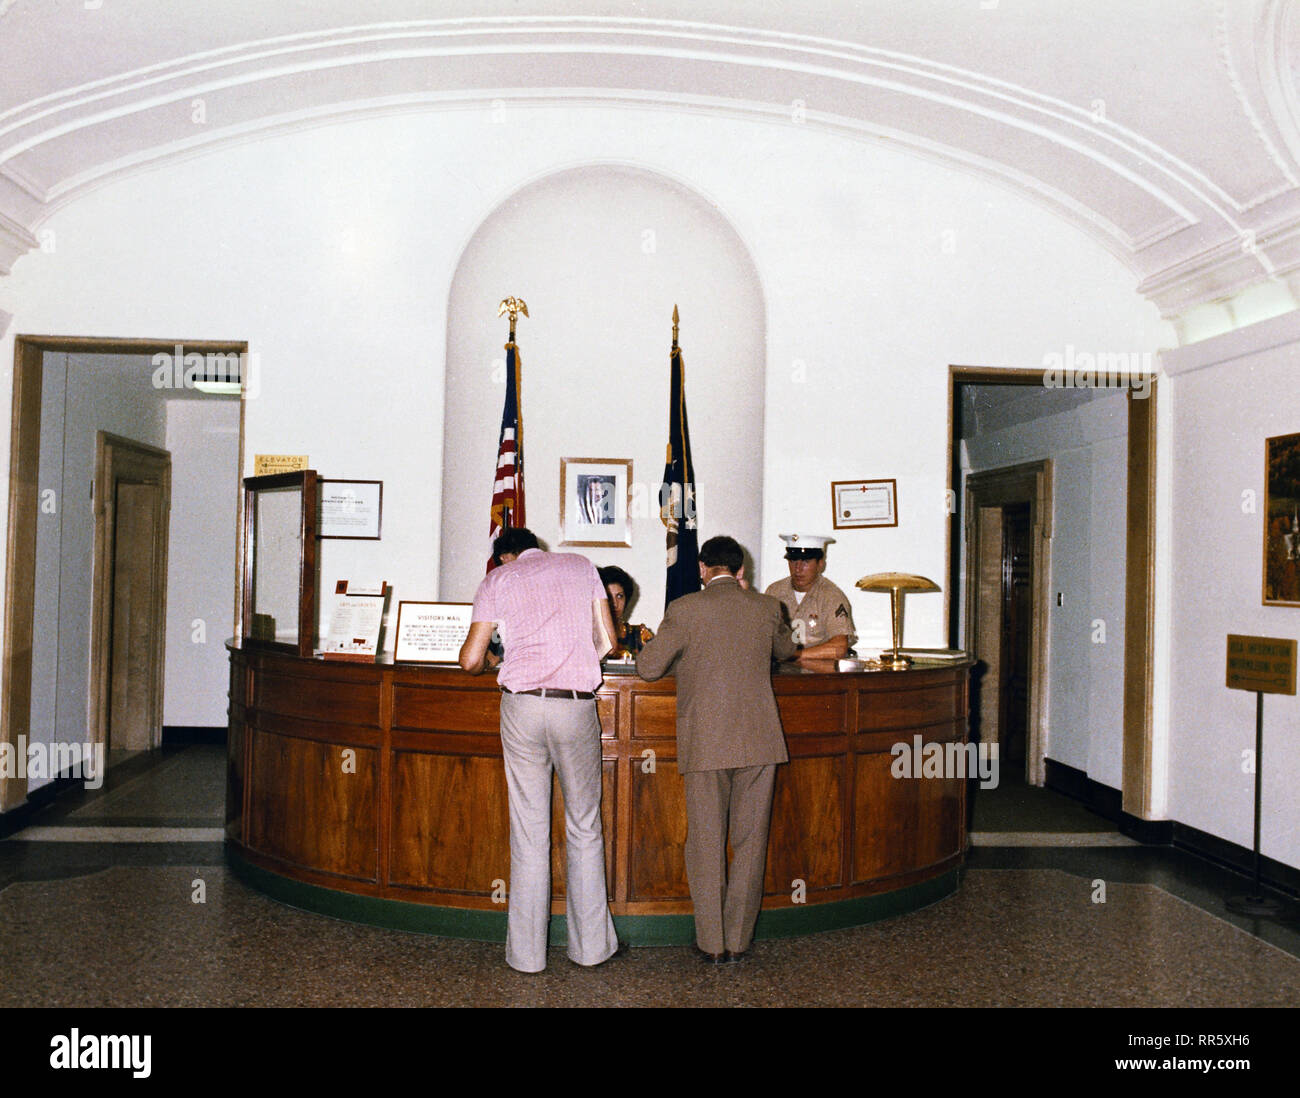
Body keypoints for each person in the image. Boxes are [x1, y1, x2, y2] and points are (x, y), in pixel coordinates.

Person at [458, 527, 625, 973]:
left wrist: (501, 658)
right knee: (585, 826)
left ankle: (528, 957)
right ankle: (590, 949)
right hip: (575, 705)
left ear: (505, 556)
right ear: (537, 547)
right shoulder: (582, 566)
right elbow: (609, 642)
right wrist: (571, 657)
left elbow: (471, 660)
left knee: (530, 833)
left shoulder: (497, 580)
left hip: (523, 706)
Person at [635, 535, 796, 964]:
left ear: (703, 569)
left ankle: (712, 943)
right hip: (761, 739)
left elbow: (648, 668)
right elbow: (787, 650)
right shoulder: (767, 607)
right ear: (740, 571)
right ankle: (740, 940)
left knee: (706, 842)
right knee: (750, 842)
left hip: (707, 741)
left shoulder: (685, 609)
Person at [764, 533, 857, 661]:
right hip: (779, 673)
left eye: (806, 561)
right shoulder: (774, 592)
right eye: (793, 561)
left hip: (817, 674)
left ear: (820, 564)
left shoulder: (831, 597)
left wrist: (794, 655)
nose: (798, 569)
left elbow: (839, 648)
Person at [597, 565, 654, 657]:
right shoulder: (588, 637)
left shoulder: (639, 635)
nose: (614, 604)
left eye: (619, 596)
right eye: (608, 597)